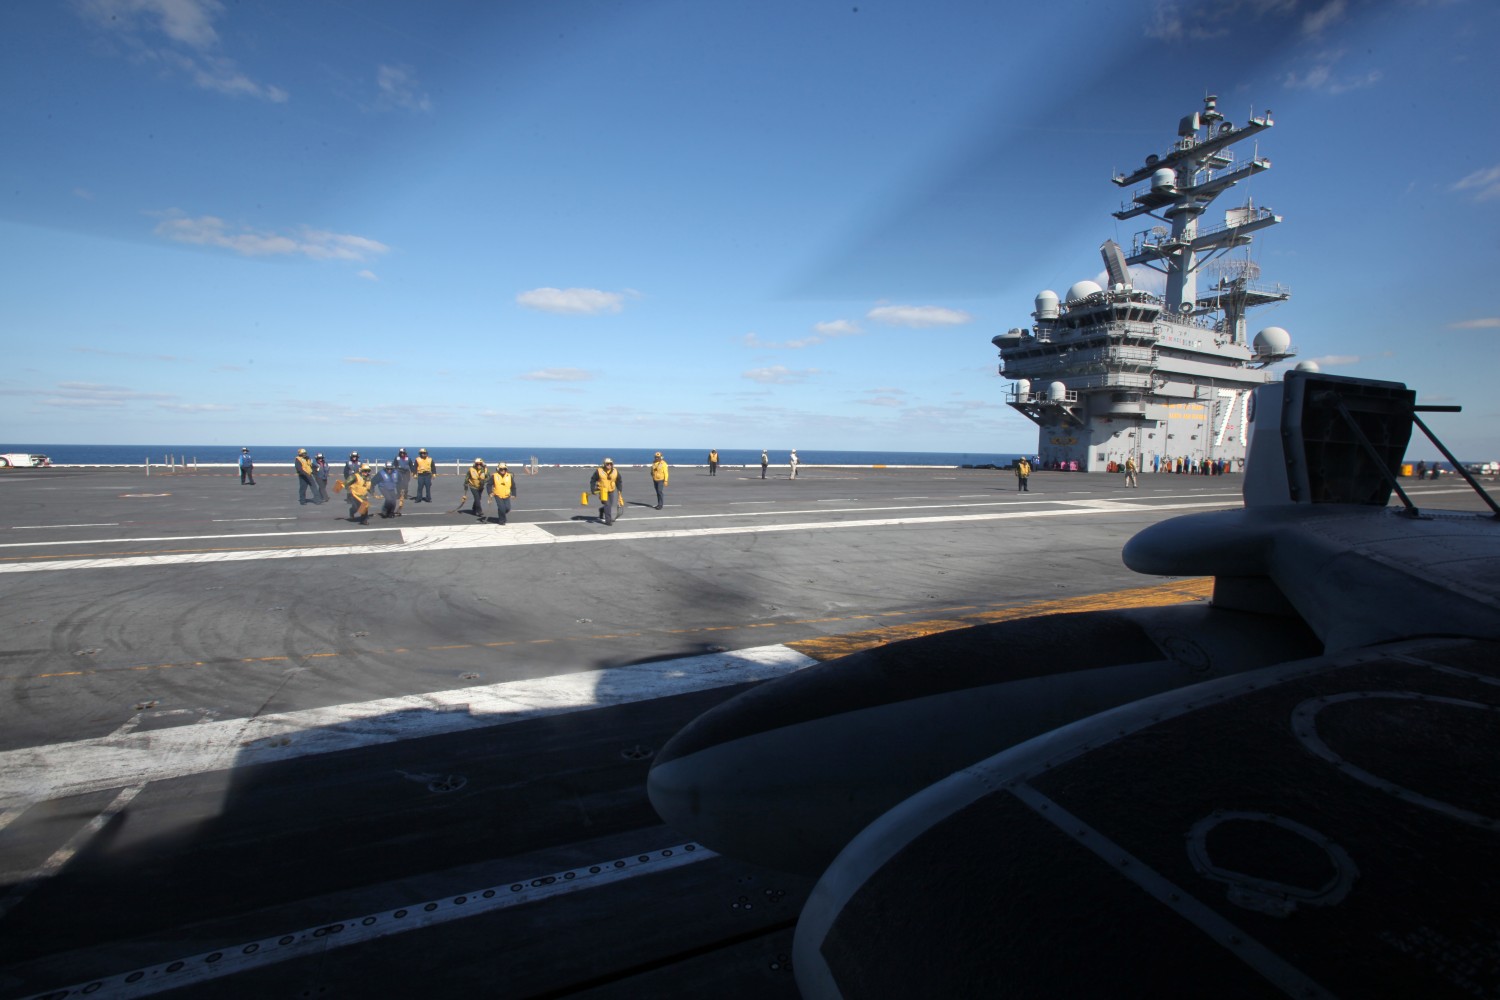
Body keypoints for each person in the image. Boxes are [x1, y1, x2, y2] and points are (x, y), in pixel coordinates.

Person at [590, 457, 621, 525]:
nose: (609, 465)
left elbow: (618, 480)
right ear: (604, 464)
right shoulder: (599, 471)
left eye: (610, 464)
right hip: (603, 491)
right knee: (607, 505)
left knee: (609, 505)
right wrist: (592, 489)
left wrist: (619, 489)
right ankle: (608, 521)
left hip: (611, 490)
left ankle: (602, 510)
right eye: (607, 464)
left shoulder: (615, 471)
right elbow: (593, 480)